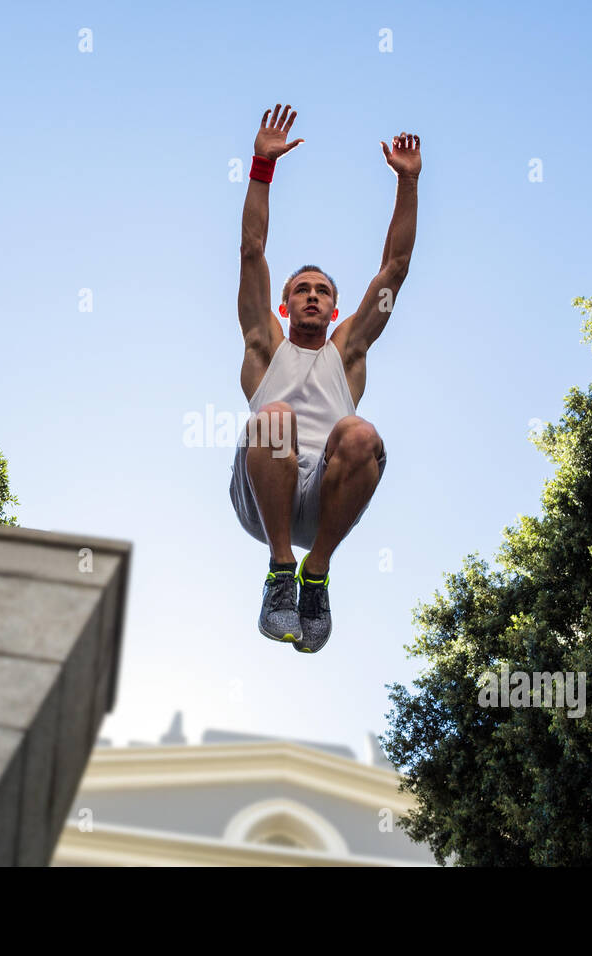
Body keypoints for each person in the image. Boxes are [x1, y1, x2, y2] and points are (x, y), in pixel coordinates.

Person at [230, 102, 420, 653]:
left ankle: (316, 577)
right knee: (276, 416)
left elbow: (395, 268)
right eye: (301, 290)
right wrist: (262, 167)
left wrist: (407, 182)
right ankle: (280, 571)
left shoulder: (348, 352)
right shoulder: (264, 347)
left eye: (323, 291)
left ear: (334, 310)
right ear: (285, 305)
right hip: (265, 502)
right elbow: (251, 252)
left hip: (328, 500)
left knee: (360, 431)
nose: (312, 295)